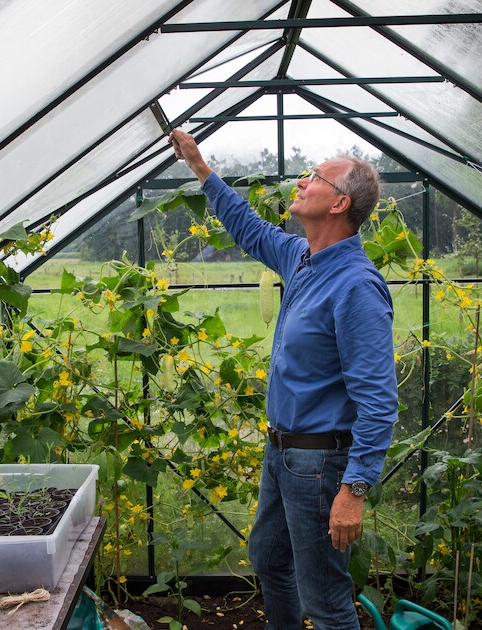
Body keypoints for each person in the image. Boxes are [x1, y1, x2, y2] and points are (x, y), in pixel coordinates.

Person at [169, 130, 398, 629]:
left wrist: (354, 488)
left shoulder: (356, 287)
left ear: (339, 203)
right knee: (271, 560)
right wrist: (202, 171)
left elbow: (379, 401)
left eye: (314, 177)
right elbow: (249, 229)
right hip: (285, 454)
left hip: (320, 463)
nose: (302, 180)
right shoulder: (301, 258)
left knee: (326, 599)